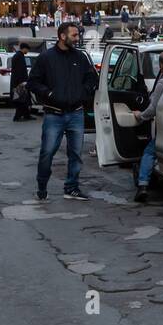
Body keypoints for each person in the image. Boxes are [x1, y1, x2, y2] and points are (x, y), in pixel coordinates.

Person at [27, 23, 98, 201]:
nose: (77, 38)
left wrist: (83, 93)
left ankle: (71, 187)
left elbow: (92, 78)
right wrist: (49, 94)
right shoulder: (46, 58)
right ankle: (41, 188)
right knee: (47, 152)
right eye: (74, 35)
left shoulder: (80, 57)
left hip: (76, 113)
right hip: (54, 114)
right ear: (62, 36)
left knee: (76, 154)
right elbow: (32, 83)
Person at [129, 50, 163, 203]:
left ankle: (142, 185)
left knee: (149, 152)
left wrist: (140, 116)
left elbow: (153, 108)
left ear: (161, 65)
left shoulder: (162, 82)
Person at [10, 42, 34, 122]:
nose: (27, 51)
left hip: (18, 81)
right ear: (24, 48)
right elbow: (20, 70)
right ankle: (17, 117)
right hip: (19, 82)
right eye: (27, 49)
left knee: (24, 99)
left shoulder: (18, 56)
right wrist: (22, 82)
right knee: (21, 99)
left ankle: (26, 115)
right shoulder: (19, 57)